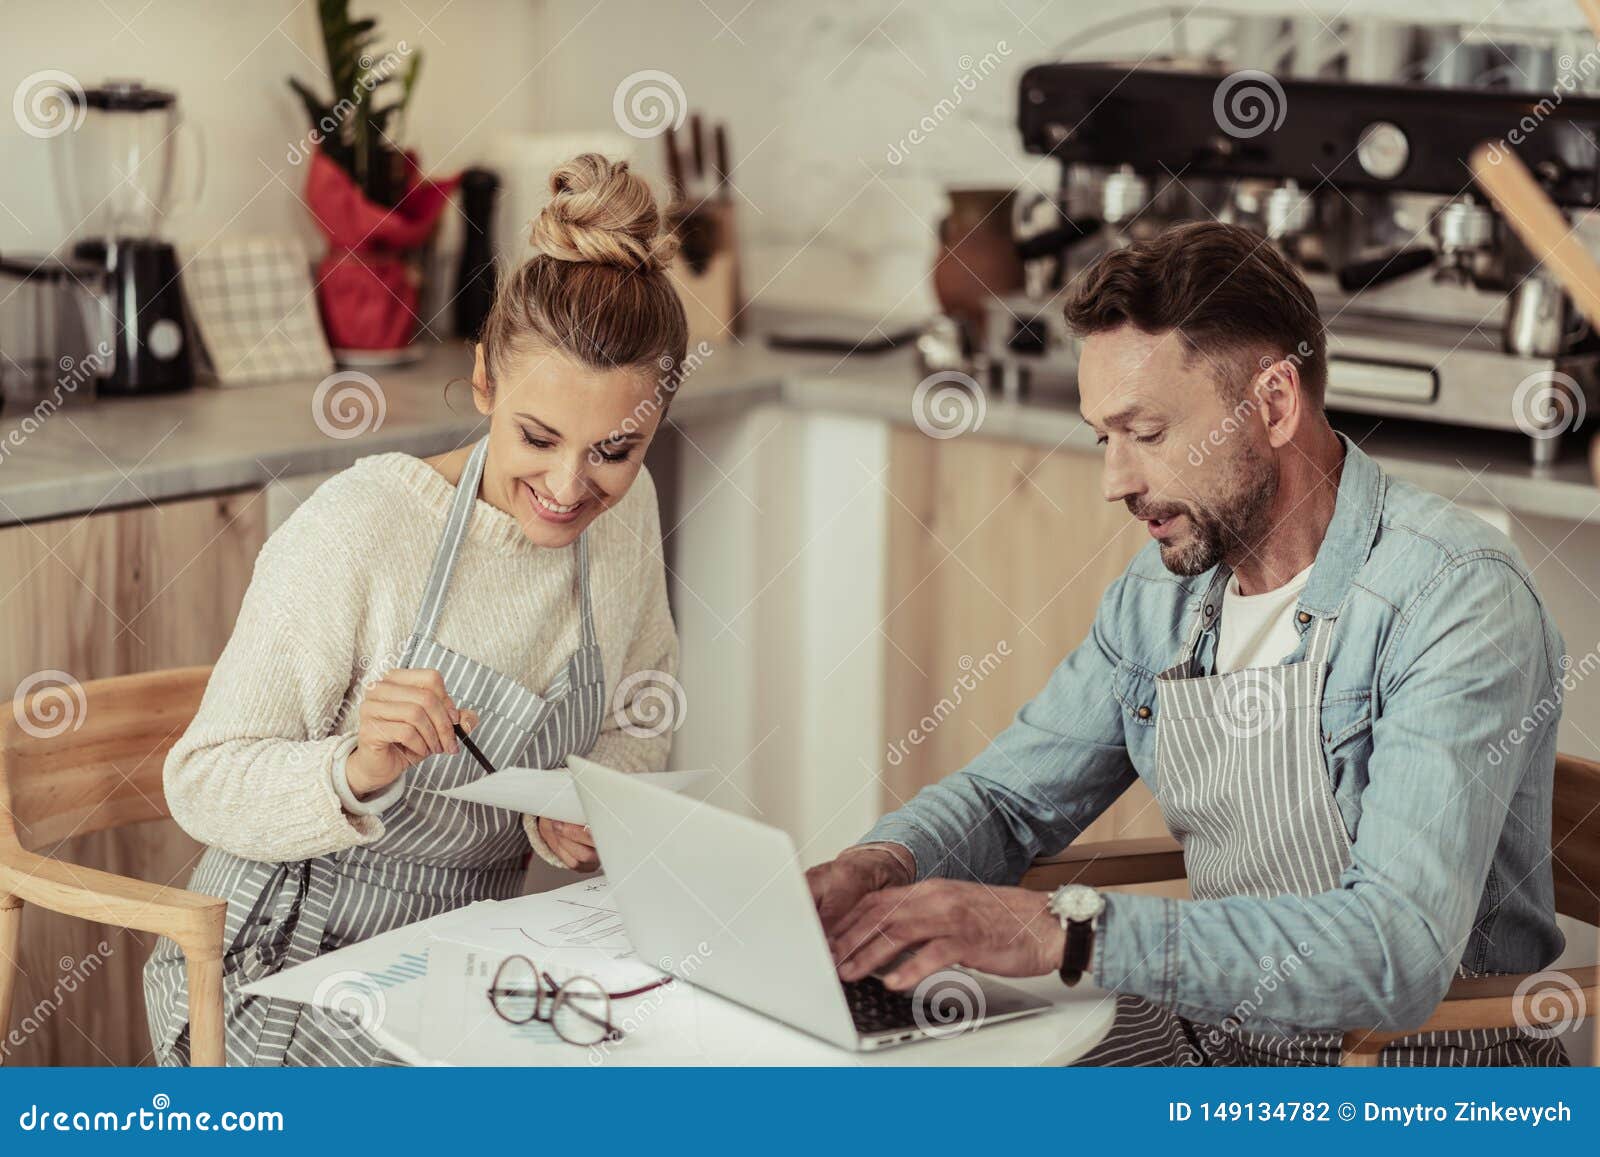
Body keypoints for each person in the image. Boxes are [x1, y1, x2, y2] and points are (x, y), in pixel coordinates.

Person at [810, 220, 1571, 1066]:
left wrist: (1067, 931)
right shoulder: (1161, 596)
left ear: (1274, 404)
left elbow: (1396, 951)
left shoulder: (1453, 596)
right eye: (1107, 437)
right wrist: (881, 862)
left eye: (1149, 433)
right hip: (1219, 1047)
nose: (1116, 482)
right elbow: (1009, 798)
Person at [145, 154, 685, 1066]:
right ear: (484, 385)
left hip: (471, 965)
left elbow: (641, 698)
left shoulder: (624, 521)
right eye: (538, 438)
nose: (567, 485)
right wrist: (354, 769)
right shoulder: (363, 527)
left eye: (614, 450)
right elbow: (201, 778)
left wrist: (594, 805)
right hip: (278, 973)